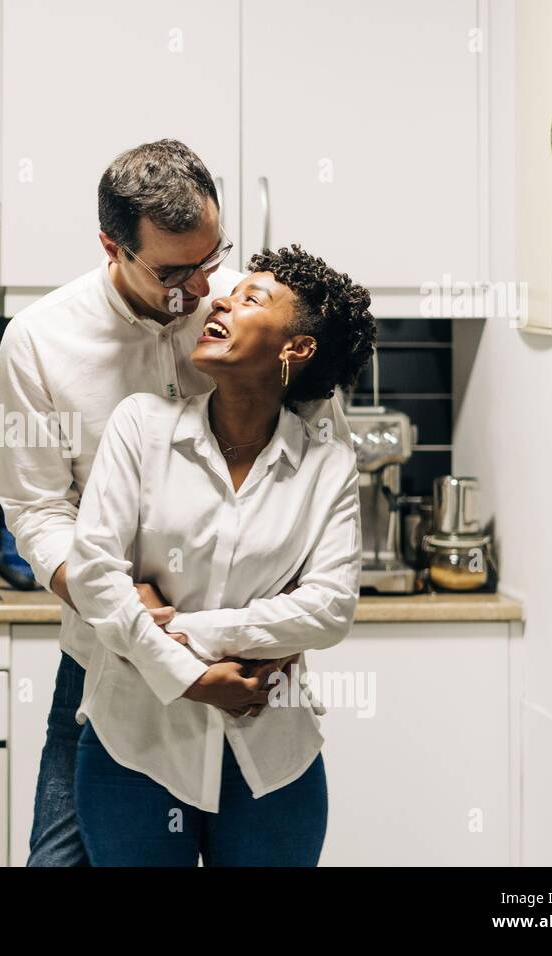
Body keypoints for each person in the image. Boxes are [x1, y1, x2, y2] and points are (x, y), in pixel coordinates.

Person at [0, 139, 351, 866]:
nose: (201, 290)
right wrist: (120, 600)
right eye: (173, 272)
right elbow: (36, 510)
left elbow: (317, 455)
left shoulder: (241, 319)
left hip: (254, 669)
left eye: (211, 259)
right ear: (111, 246)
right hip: (108, 661)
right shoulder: (38, 341)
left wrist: (217, 634)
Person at [64, 245, 376, 865]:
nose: (223, 301)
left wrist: (183, 629)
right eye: (230, 294)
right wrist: (192, 679)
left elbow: (330, 609)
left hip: (271, 757)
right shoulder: (141, 426)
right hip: (135, 748)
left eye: (251, 299)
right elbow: (97, 575)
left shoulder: (326, 462)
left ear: (296, 349)